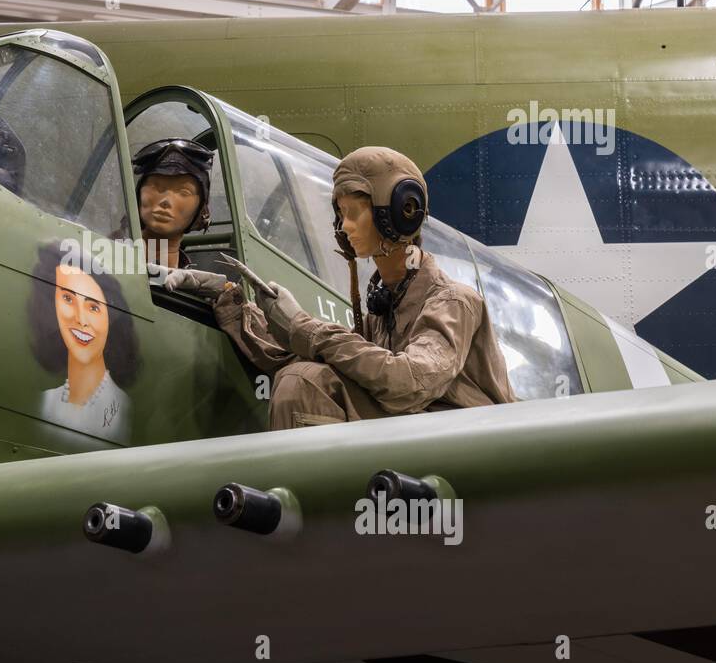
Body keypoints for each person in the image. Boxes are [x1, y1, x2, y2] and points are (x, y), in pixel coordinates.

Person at [162, 146, 514, 429]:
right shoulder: (384, 308)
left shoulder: (454, 301)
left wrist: (304, 326)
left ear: (398, 213)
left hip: (468, 471)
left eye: (353, 213)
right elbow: (300, 355)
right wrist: (227, 298)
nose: (344, 227)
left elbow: (409, 383)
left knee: (306, 381)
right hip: (413, 465)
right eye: (340, 214)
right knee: (302, 373)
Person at [28, 242, 139, 443]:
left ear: (111, 319)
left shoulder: (124, 409)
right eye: (68, 300)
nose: (80, 319)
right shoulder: (46, 401)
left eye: (93, 307)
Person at [131, 137, 214, 269]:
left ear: (201, 211)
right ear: (138, 195)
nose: (166, 201)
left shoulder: (196, 287)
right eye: (156, 187)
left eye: (184, 192)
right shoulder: (97, 255)